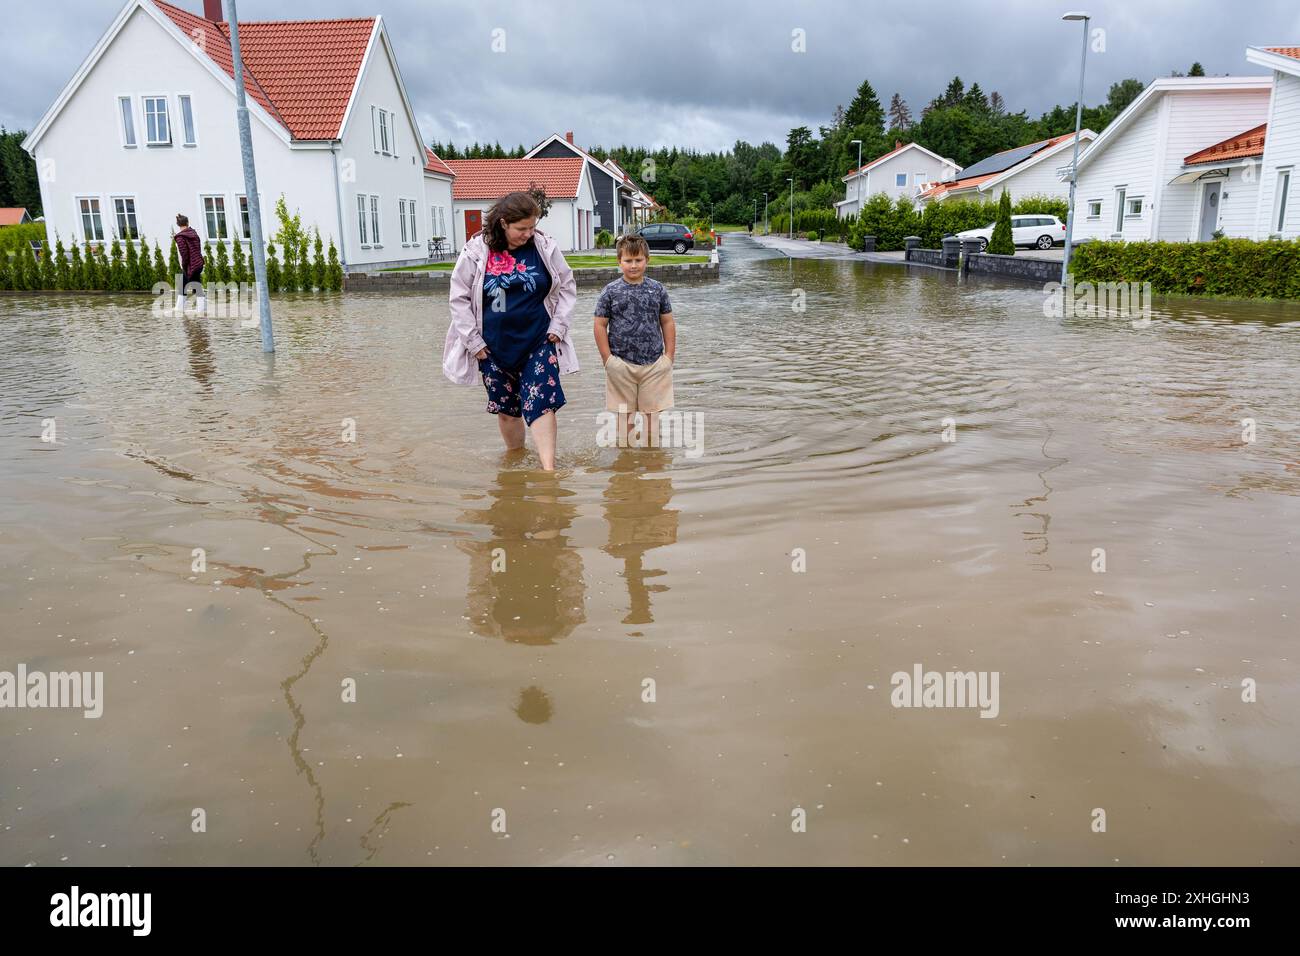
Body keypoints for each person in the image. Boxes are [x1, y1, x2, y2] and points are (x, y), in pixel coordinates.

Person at [443, 191, 579, 471]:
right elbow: (458, 299)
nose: (529, 234)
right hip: (491, 346)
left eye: (532, 227)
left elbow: (567, 286)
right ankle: (516, 457)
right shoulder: (476, 251)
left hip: (539, 339)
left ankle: (548, 470)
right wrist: (474, 343)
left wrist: (559, 326)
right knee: (507, 410)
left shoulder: (544, 247)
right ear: (503, 223)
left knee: (543, 402)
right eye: (522, 228)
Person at [594, 233, 676, 448]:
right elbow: (600, 325)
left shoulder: (657, 289)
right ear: (619, 261)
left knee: (652, 419)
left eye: (638, 260)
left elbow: (667, 322)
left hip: (653, 364)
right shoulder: (610, 292)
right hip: (620, 364)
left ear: (647, 260)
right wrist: (607, 360)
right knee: (625, 418)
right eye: (628, 261)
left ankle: (652, 463)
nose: (633, 265)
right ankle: (627, 466)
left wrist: (668, 357)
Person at [172, 214, 205, 312]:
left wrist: (185, 266)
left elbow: (184, 254)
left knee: (183, 286)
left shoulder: (180, 237)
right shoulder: (194, 233)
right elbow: (197, 249)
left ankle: (179, 308)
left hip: (190, 265)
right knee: (196, 285)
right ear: (187, 223)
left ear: (178, 225)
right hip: (198, 263)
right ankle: (202, 309)